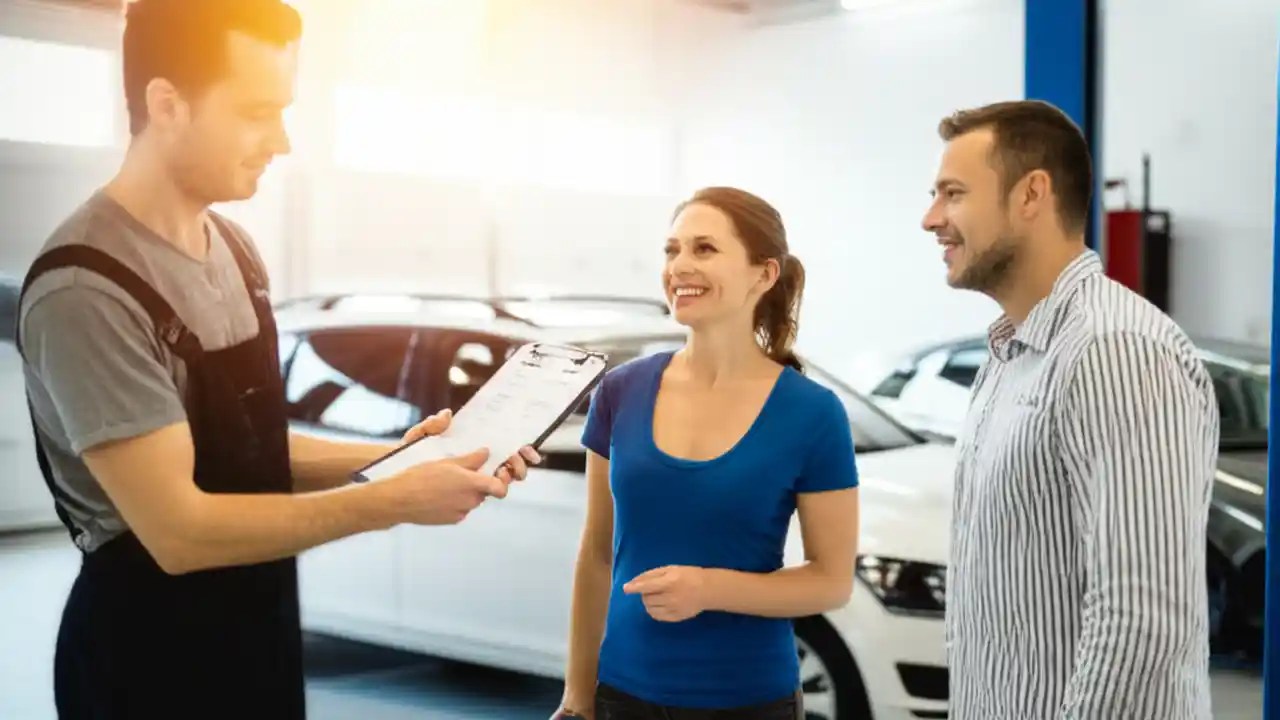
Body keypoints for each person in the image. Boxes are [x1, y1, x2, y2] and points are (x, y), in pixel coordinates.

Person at [16, 1, 538, 717]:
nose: (284, 141)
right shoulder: (86, 289)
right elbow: (178, 531)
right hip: (146, 663)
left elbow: (246, 453)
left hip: (254, 637)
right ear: (166, 103)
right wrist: (389, 502)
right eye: (258, 112)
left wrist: (399, 459)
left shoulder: (235, 250)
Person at [921, 99, 1219, 719]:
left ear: (1031, 194)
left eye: (953, 194)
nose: (931, 219)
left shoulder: (1115, 350)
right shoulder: (1011, 353)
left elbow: (1141, 620)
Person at [553, 187, 861, 720]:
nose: (679, 267)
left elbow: (830, 580)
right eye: (672, 250)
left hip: (749, 702)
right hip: (622, 696)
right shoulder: (620, 392)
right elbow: (597, 555)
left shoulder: (813, 414)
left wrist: (709, 588)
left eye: (704, 249)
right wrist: (578, 696)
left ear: (763, 274)